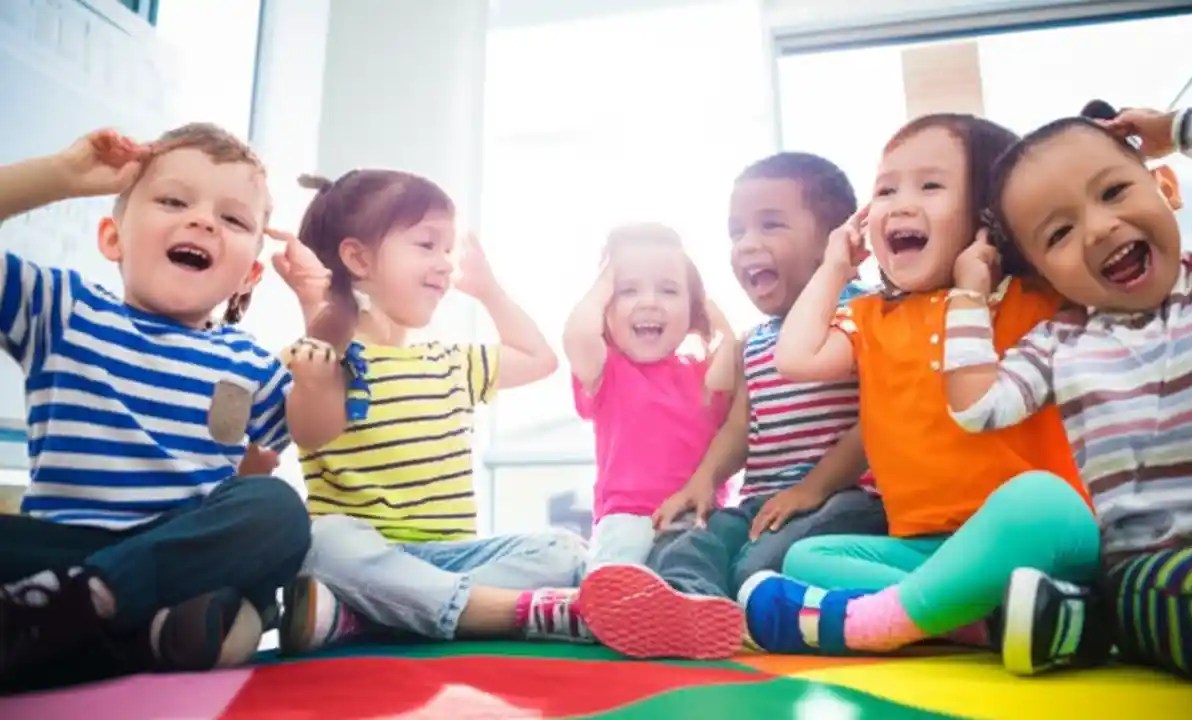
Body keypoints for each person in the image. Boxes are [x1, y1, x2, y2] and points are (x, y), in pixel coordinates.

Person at [944, 98, 1192, 717]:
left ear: (1167, 186)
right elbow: (976, 405)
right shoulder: (1059, 342)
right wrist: (969, 292)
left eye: (1114, 191)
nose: (1099, 229)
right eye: (1059, 234)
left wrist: (1169, 130)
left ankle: (1081, 623)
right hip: (1162, 563)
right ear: (1044, 274)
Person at [737, 114, 1096, 657]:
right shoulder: (871, 318)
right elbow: (795, 357)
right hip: (928, 550)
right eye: (885, 190)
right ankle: (989, 621)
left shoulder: (1032, 299)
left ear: (989, 214)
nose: (900, 204)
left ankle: (873, 622)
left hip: (1033, 537)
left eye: (930, 186)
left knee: (1043, 501)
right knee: (807, 558)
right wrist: (834, 265)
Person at [0, 124, 345, 688]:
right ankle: (136, 633)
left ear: (249, 275)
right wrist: (60, 176)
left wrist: (319, 314)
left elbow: (317, 429)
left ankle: (80, 612)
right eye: (173, 202)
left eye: (233, 219)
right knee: (230, 617)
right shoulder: (63, 309)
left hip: (180, 556)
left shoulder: (246, 360)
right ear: (113, 237)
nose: (203, 221)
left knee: (277, 510)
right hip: (60, 553)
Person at [578, 153, 888, 660]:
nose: (746, 244)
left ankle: (778, 612)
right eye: (736, 231)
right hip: (761, 502)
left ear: (835, 239)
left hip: (845, 498)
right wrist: (702, 481)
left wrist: (811, 489)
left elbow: (876, 422)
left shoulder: (865, 314)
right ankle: (691, 611)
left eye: (770, 225)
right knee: (686, 549)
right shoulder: (754, 341)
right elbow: (741, 426)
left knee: (753, 565)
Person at [279, 169, 593, 655]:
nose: (446, 264)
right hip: (366, 557)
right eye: (427, 244)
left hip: (452, 558)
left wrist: (489, 290)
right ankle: (488, 610)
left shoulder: (451, 362)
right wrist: (315, 314)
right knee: (323, 538)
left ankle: (370, 617)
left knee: (565, 551)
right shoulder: (326, 361)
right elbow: (308, 421)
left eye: (448, 249)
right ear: (358, 259)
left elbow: (539, 360)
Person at [565, 223, 736, 571]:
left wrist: (715, 320)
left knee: (694, 566)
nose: (649, 302)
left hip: (694, 519)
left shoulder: (703, 375)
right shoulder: (607, 372)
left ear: (693, 310)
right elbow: (578, 335)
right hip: (626, 520)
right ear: (605, 307)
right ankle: (612, 598)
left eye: (669, 290)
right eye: (627, 290)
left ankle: (689, 599)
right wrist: (605, 280)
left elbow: (731, 362)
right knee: (616, 569)